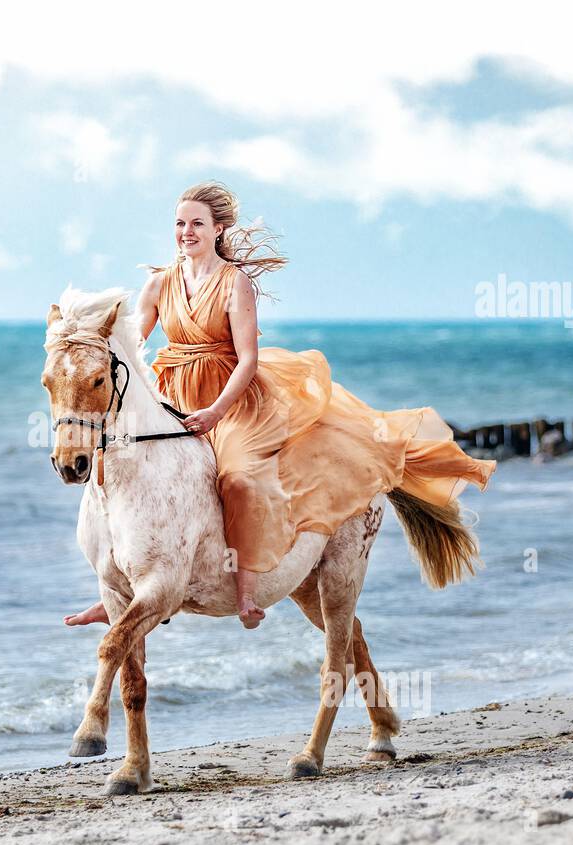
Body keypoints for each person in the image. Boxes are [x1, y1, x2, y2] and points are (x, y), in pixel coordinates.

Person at [64, 181, 495, 630]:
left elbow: (247, 360)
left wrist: (215, 413)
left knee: (238, 479)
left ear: (218, 229)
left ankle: (247, 592)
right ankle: (123, 589)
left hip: (233, 401)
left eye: (196, 223)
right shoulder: (158, 285)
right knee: (118, 468)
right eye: (180, 223)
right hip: (174, 398)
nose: (186, 232)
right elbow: (130, 348)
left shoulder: (235, 285)